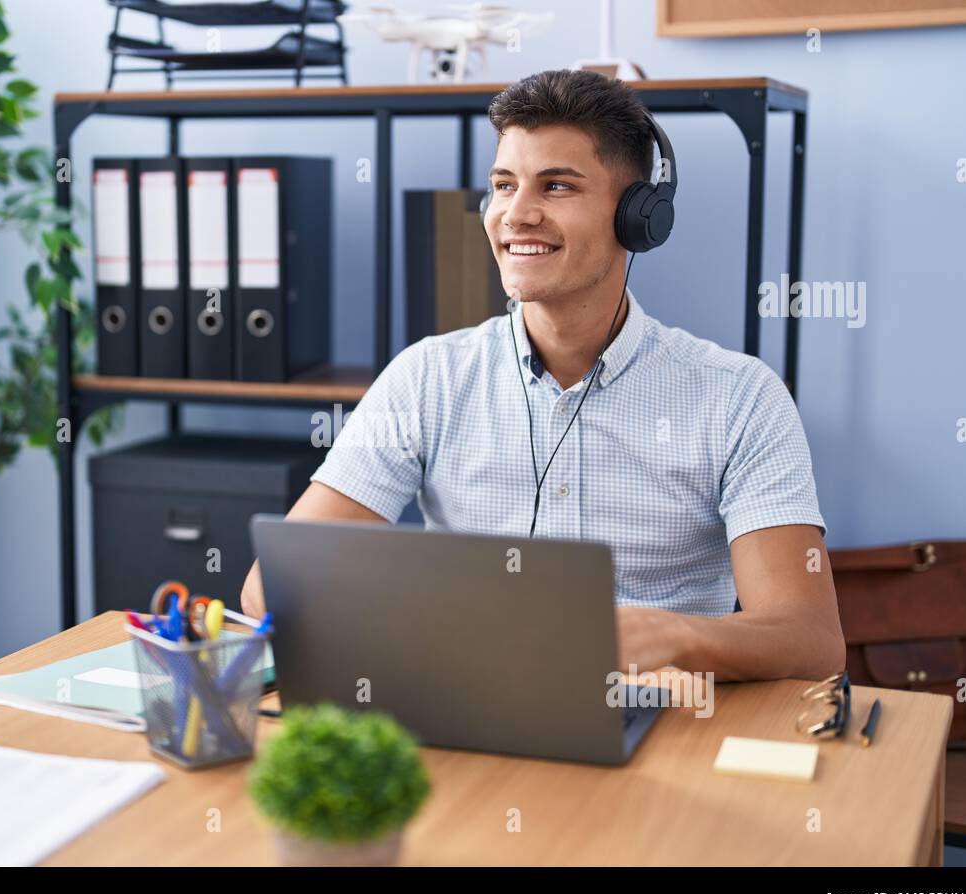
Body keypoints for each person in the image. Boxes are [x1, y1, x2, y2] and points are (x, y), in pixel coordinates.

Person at [242, 69, 844, 682]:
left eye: (556, 186)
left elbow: (808, 638)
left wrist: (672, 635)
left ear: (638, 217)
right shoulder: (427, 377)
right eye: (503, 185)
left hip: (661, 729)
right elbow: (272, 587)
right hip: (470, 706)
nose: (516, 214)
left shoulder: (740, 397)